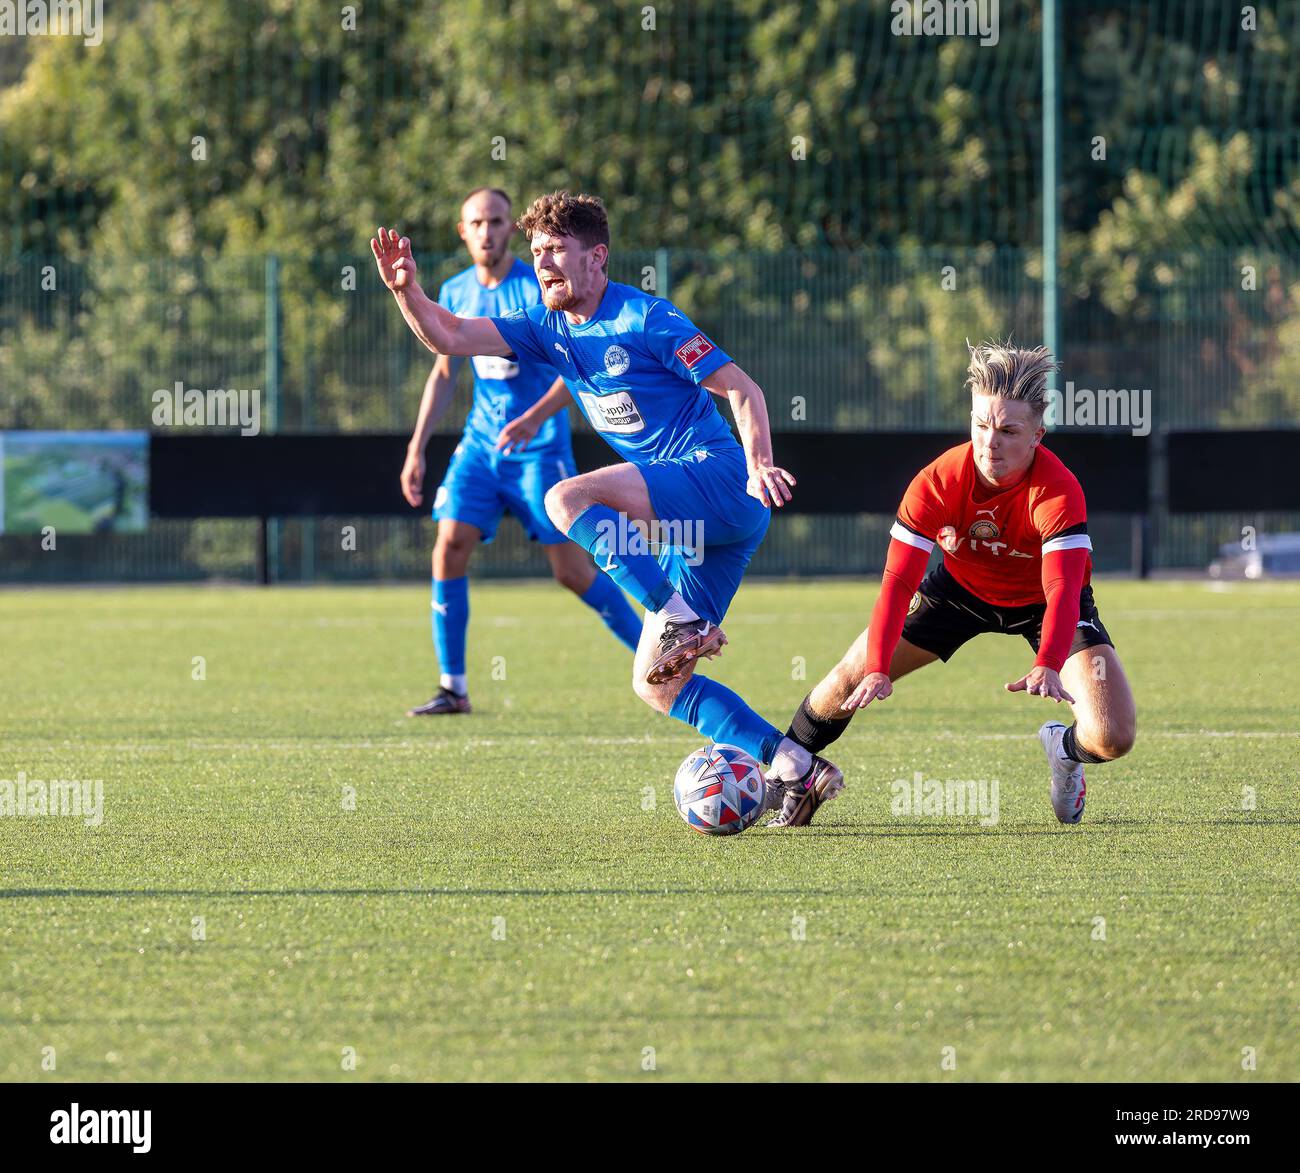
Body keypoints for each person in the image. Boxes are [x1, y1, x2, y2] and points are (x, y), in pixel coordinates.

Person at [372, 191, 842, 827]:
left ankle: (676, 617)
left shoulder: (647, 317)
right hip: (693, 529)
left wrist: (758, 460)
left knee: (566, 496)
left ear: (597, 258)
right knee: (657, 685)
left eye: (556, 252)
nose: (542, 265)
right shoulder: (546, 324)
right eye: (536, 252)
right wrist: (407, 291)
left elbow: (742, 387)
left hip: (718, 481)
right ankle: (796, 767)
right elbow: (450, 335)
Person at [780, 341, 1137, 825]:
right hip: (958, 593)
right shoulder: (937, 481)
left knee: (1112, 737)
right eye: (981, 425)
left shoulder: (1058, 490)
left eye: (1009, 431)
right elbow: (897, 583)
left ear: (1038, 435)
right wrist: (879, 667)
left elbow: (1061, 591)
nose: (991, 442)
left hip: (1045, 605)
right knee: (849, 677)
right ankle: (787, 776)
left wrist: (1049, 662)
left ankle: (1063, 750)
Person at [398, 188, 641, 717]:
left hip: (540, 450)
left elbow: (575, 365)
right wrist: (417, 447)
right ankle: (453, 687)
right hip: (482, 446)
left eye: (497, 221)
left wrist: (534, 416)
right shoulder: (456, 289)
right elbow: (444, 368)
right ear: (462, 231)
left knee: (572, 573)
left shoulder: (541, 283)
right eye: (476, 222)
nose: (487, 231)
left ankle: (652, 656)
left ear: (511, 228)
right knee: (448, 546)